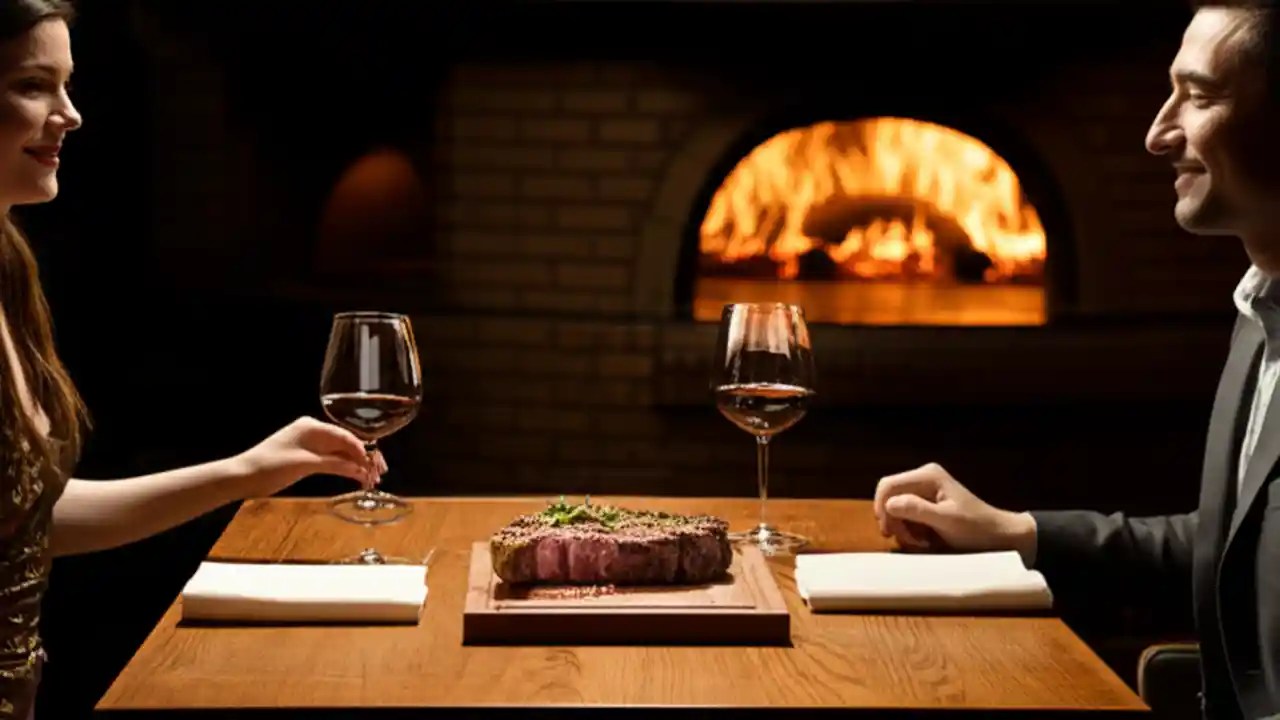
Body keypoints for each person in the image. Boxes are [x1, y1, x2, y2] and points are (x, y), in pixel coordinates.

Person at [873, 2, 1280, 717]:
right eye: (1169, 90)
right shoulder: (1261, 312)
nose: (1158, 134)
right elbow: (1237, 551)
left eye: (1202, 95)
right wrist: (1016, 533)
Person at [0, 2, 386, 717]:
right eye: (34, 85)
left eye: (69, 84)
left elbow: (31, 520)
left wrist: (248, 470)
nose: (71, 113)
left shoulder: (11, 272)